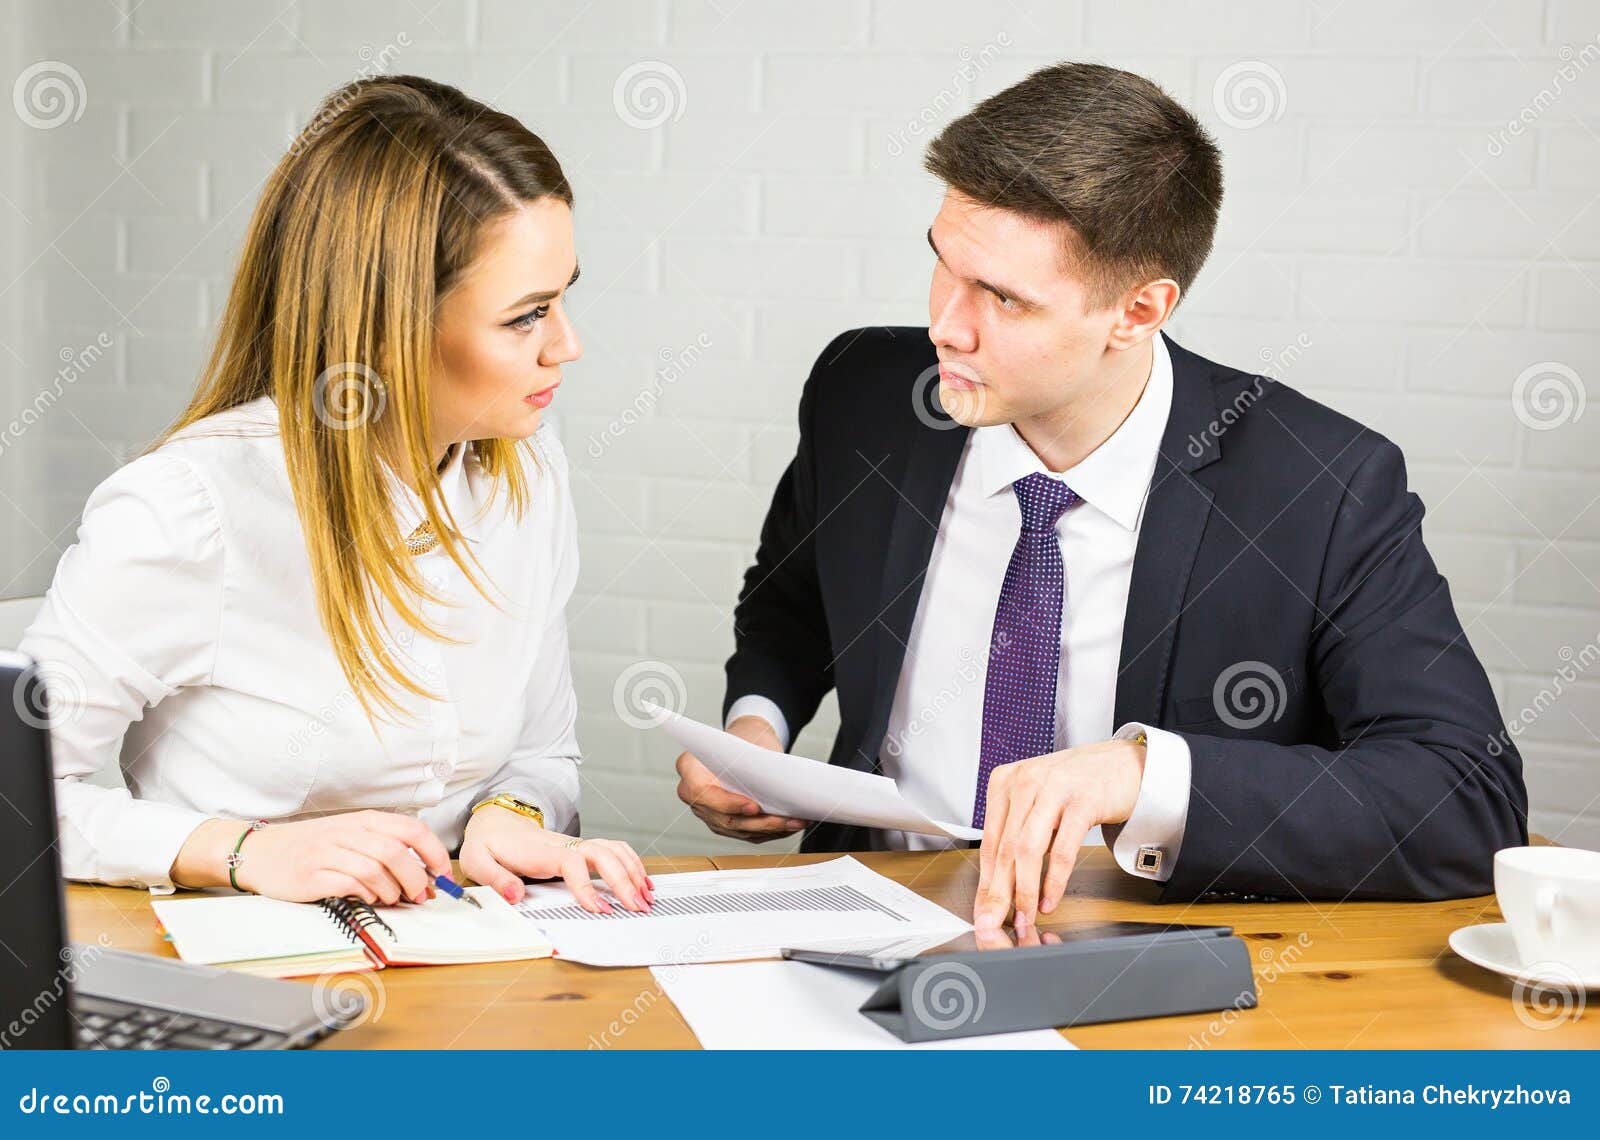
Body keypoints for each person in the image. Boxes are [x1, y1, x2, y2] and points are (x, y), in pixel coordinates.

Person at [674, 62, 1526, 931]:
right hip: (863, 921)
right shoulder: (862, 391)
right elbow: (791, 607)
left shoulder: (1322, 486)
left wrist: (1141, 775)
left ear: (1139, 311)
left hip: (1141, 961)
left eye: (1003, 297)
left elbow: (1466, 798)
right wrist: (757, 727)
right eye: (944, 264)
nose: (946, 325)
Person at [21, 75, 652, 917]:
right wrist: (242, 850)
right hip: (245, 981)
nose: (567, 346)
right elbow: (16, 803)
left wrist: (511, 813)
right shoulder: (190, 507)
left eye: (564, 297)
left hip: (464, 960)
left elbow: (542, 750)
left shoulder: (528, 475)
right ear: (388, 325)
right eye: (525, 317)